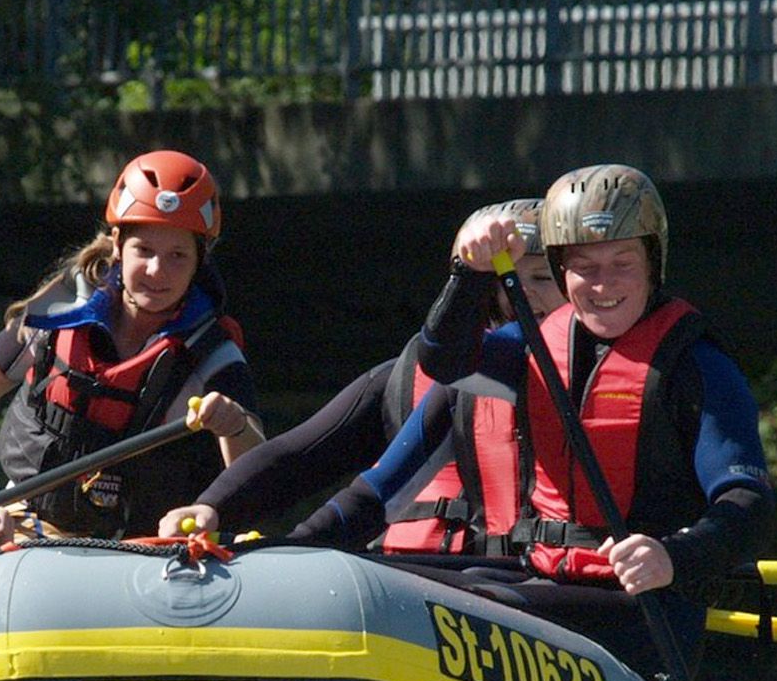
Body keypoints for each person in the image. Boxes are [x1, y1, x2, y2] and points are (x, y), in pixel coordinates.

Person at [284, 166, 773, 679]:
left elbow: (749, 504)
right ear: (563, 273)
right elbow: (443, 359)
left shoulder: (697, 367)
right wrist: (468, 274)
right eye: (585, 267)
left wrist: (672, 555)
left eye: (622, 263)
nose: (603, 285)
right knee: (385, 578)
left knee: (474, 602)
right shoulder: (534, 347)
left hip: (643, 613)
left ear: (654, 264)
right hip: (544, 582)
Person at [156, 199, 559, 552]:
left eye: (541, 277)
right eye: (503, 279)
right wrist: (215, 508)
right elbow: (302, 457)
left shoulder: (591, 371)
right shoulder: (425, 378)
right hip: (428, 584)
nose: (520, 295)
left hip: (523, 582)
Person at [0, 149, 264, 538]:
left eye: (177, 256)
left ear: (199, 260)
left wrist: (235, 426)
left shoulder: (214, 355)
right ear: (118, 244)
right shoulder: (57, 316)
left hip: (142, 553)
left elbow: (258, 468)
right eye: (144, 251)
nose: (157, 271)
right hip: (26, 528)